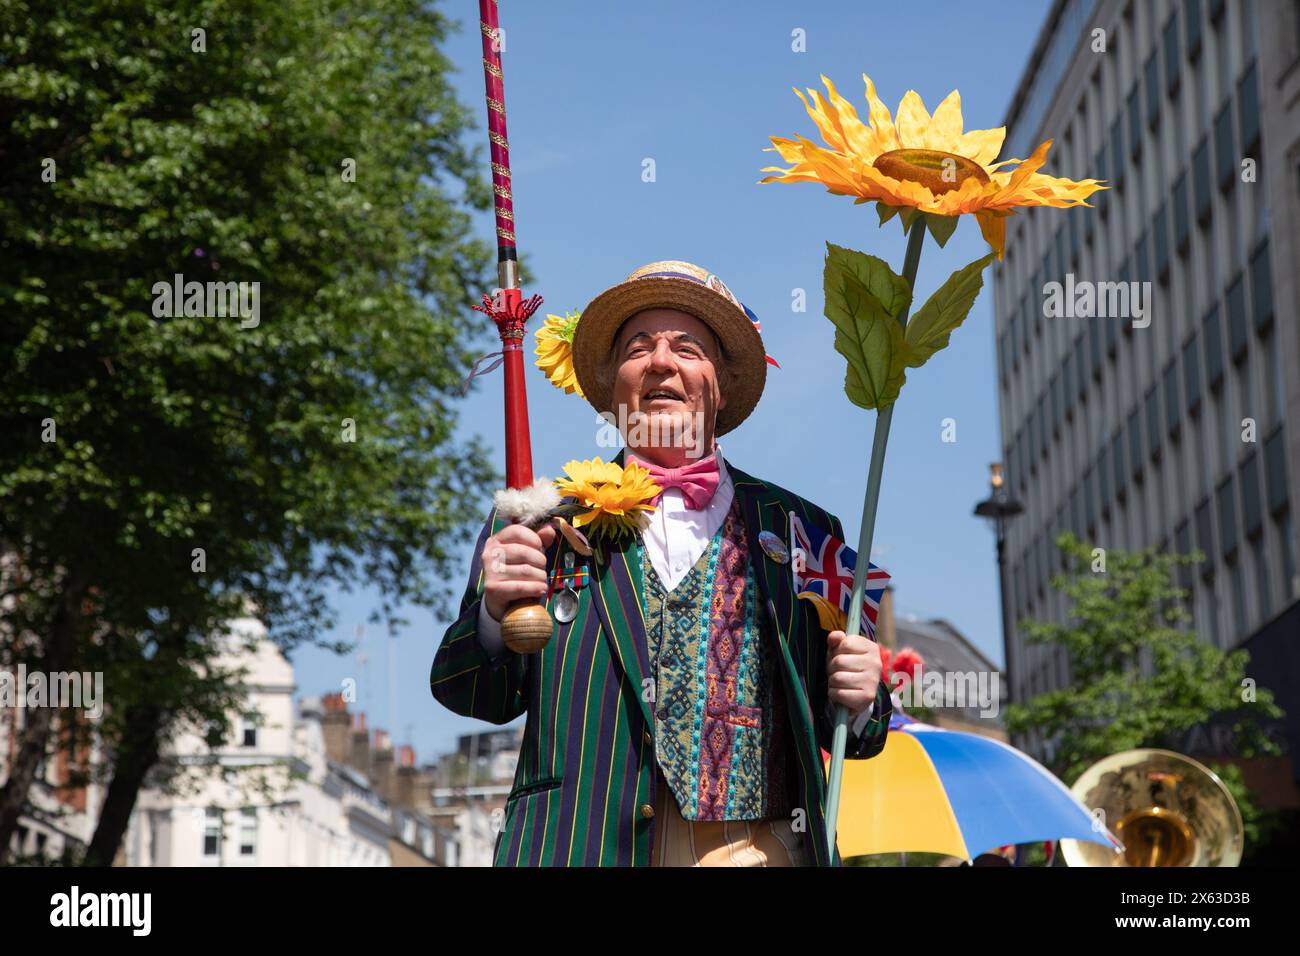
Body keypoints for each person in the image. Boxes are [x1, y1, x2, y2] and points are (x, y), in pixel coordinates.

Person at [431, 260, 890, 866]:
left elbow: (858, 732)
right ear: (610, 385)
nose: (661, 362)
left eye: (687, 347)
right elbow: (473, 695)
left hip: (756, 846)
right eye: (638, 347)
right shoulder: (537, 521)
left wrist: (860, 700)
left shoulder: (801, 529)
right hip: (583, 846)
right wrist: (493, 613)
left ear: (720, 385)